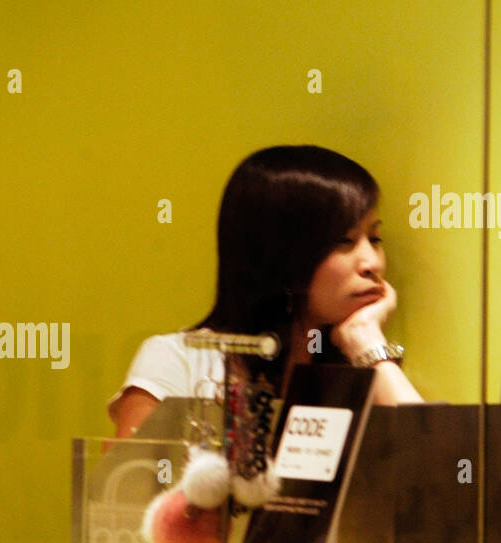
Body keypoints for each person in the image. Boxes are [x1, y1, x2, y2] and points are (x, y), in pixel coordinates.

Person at [110, 144, 422, 439]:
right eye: (344, 241)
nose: (371, 262)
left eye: (375, 239)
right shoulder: (179, 361)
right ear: (279, 254)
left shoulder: (360, 369)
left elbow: (440, 469)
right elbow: (125, 491)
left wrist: (367, 342)